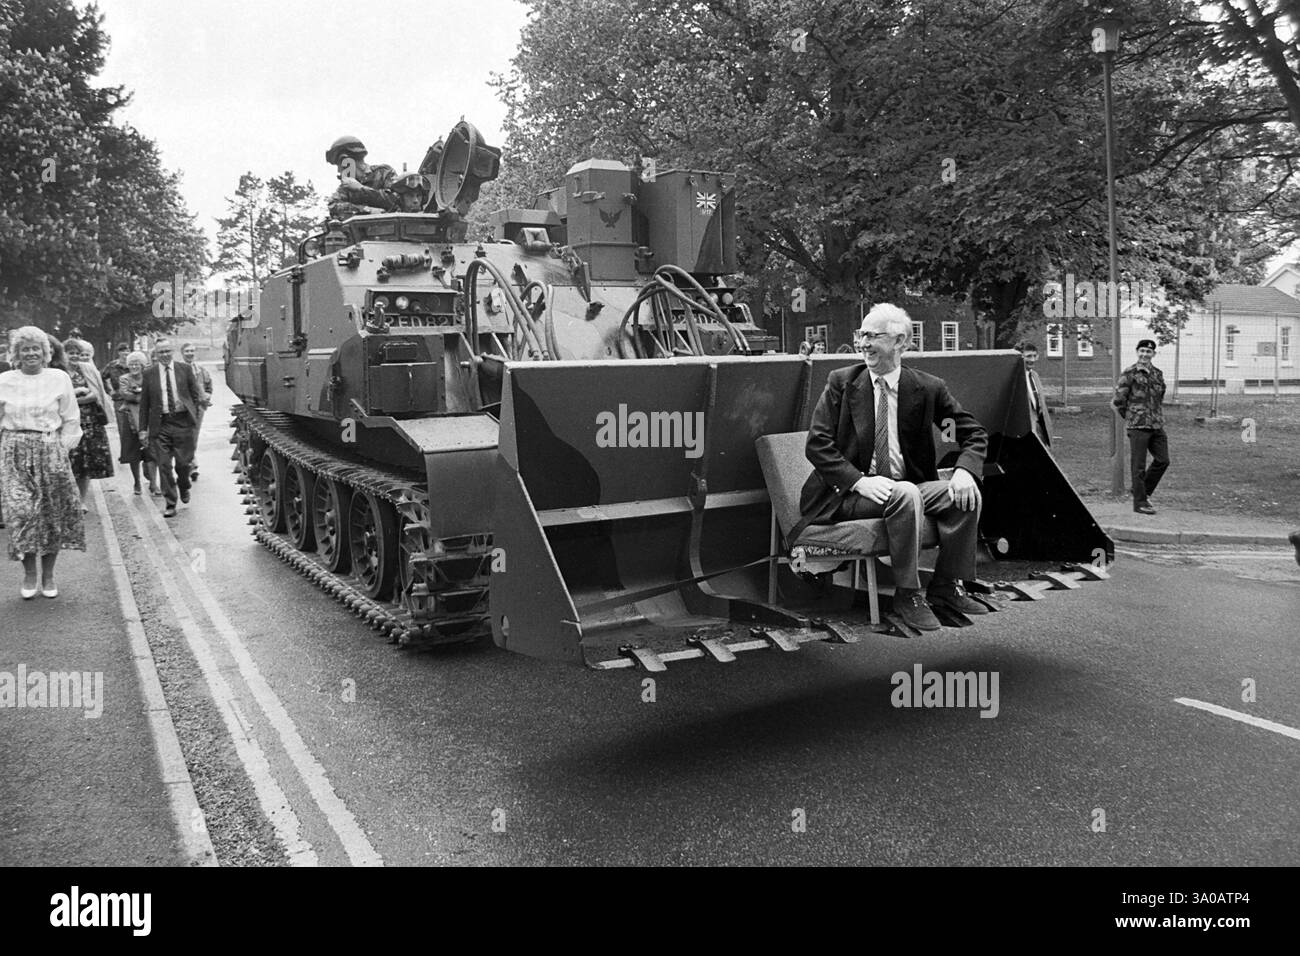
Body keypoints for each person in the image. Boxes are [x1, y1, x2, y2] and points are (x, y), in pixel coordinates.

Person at [797, 303, 989, 632]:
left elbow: (971, 434)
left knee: (964, 496)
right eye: (861, 335)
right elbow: (818, 445)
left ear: (899, 342)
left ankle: (945, 588)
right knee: (904, 494)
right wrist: (859, 481)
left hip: (909, 487)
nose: (863, 343)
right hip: (847, 495)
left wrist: (965, 471)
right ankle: (907, 595)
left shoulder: (927, 389)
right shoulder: (842, 384)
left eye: (873, 336)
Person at [0, 326, 85, 598]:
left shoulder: (59, 378)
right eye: (25, 349)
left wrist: (63, 449)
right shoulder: (5, 380)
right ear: (16, 354)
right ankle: (29, 574)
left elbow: (71, 418)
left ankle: (48, 576)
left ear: (46, 352)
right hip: (14, 450)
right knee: (21, 513)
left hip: (50, 448)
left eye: (36, 348)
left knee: (50, 514)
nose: (31, 353)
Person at [138, 338, 206, 518]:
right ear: (156, 354)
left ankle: (184, 485)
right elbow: (144, 404)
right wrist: (143, 429)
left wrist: (195, 411)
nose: (165, 355)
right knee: (164, 465)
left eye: (168, 351)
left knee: (184, 464)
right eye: (161, 352)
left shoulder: (184, 369)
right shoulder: (149, 373)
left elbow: (195, 393)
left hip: (183, 422)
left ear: (173, 351)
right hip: (161, 425)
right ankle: (170, 503)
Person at [1113, 338, 1168, 515]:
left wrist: (1154, 416)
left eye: (1148, 352)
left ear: (1153, 354)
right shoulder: (1129, 373)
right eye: (1142, 351)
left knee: (1163, 460)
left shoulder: (1158, 374)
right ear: (1137, 352)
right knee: (1138, 466)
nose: (1144, 354)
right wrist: (1132, 417)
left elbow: (1160, 397)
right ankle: (1140, 503)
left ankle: (1141, 491)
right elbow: (1119, 400)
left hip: (1156, 425)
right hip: (1138, 426)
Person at [63, 337, 115, 506]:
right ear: (64, 354)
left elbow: (95, 394)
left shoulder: (87, 369)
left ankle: (81, 501)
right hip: (67, 425)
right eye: (71, 353)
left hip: (90, 423)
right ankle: (69, 499)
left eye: (77, 354)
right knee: (69, 464)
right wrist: (79, 396)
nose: (75, 357)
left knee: (85, 466)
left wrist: (74, 398)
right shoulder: (58, 372)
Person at [114, 350, 158, 496]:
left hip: (148, 418)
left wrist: (138, 395)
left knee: (151, 451)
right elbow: (125, 394)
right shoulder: (124, 378)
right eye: (131, 364)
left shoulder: (149, 377)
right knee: (133, 453)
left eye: (137, 364)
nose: (134, 367)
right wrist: (141, 396)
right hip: (130, 418)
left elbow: (153, 394)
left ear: (142, 365)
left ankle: (153, 483)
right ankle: (137, 482)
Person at [325, 135, 399, 219]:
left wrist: (361, 189)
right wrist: (367, 210)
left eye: (339, 165)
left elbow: (395, 199)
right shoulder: (347, 186)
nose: (339, 170)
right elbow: (333, 206)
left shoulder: (384, 172)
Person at [180, 343, 213, 482]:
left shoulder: (201, 370)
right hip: (182, 408)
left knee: (193, 436)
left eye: (192, 351)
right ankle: (190, 465)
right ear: (182, 353)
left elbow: (209, 386)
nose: (190, 353)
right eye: (187, 351)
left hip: (198, 408)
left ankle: (191, 464)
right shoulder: (178, 370)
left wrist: (207, 396)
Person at [1016, 341, 1052, 447]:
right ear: (1020, 357)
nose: (1032, 359)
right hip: (1022, 431)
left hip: (1039, 428)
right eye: (1028, 356)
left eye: (1034, 356)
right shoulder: (1016, 378)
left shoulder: (1035, 376)